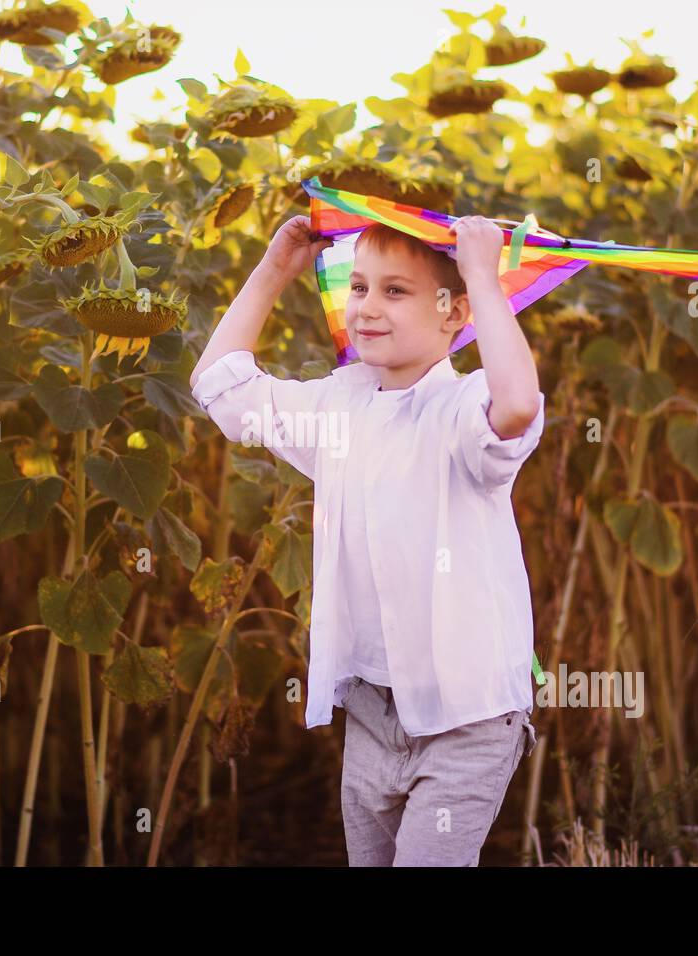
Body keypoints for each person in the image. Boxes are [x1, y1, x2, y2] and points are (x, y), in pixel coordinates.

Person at [189, 211, 545, 866]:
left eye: (395, 291)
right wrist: (275, 271)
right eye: (358, 287)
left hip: (467, 718)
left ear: (453, 312)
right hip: (373, 715)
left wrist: (483, 277)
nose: (367, 308)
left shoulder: (463, 411)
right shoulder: (341, 406)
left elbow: (517, 404)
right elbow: (222, 389)